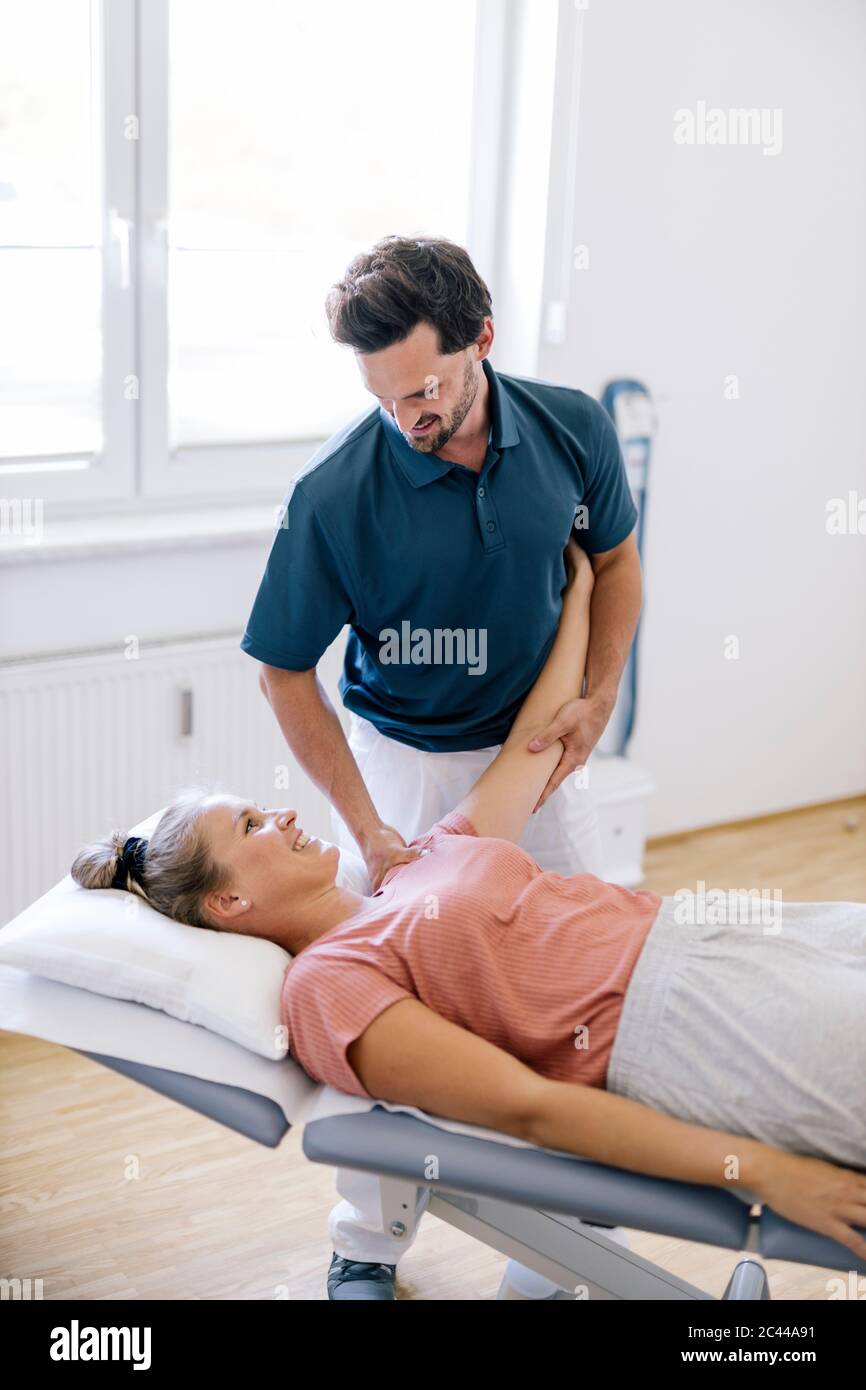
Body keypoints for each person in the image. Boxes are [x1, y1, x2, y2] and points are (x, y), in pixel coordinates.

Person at [72, 541, 866, 1299]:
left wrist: (579, 594)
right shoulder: (326, 983)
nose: (280, 814)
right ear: (229, 904)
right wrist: (764, 1172)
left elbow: (533, 744)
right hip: (678, 1024)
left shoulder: (415, 862)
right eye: (250, 828)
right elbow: (529, 1106)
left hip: (713, 935)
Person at [238, 234, 644, 1295]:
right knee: (386, 1010)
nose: (404, 415)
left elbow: (613, 565)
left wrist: (596, 696)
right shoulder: (333, 493)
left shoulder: (571, 428)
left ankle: (552, 1248)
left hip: (537, 747)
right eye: (381, 395)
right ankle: (364, 1245)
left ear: (482, 342)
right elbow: (284, 672)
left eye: (422, 388)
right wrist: (365, 822)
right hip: (403, 763)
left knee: (566, 999)